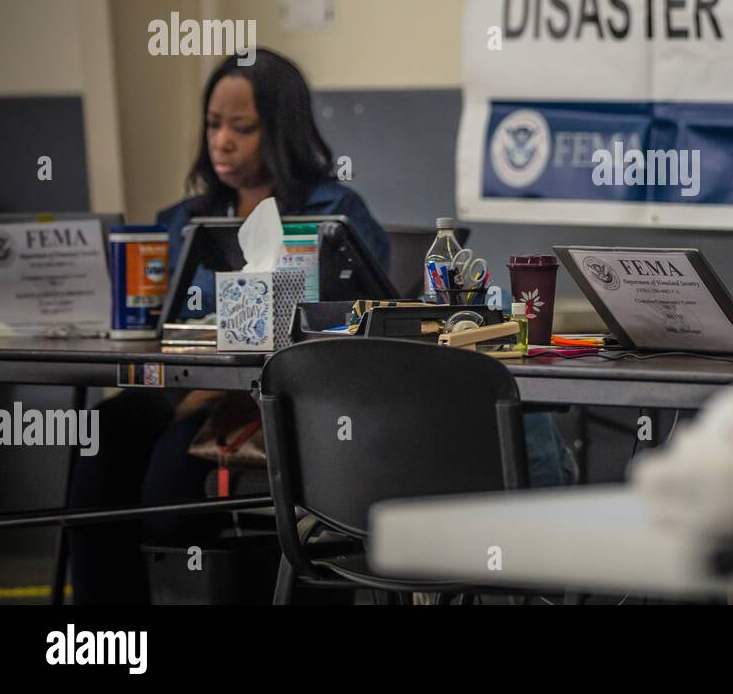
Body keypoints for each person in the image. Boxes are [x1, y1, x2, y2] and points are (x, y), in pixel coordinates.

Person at [68, 50, 569, 604]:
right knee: (101, 438)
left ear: (280, 129)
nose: (222, 142)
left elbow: (357, 331)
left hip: (286, 401)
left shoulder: (335, 212)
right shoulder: (184, 219)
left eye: (243, 127)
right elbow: (153, 323)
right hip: (183, 390)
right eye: (213, 125)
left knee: (165, 498)